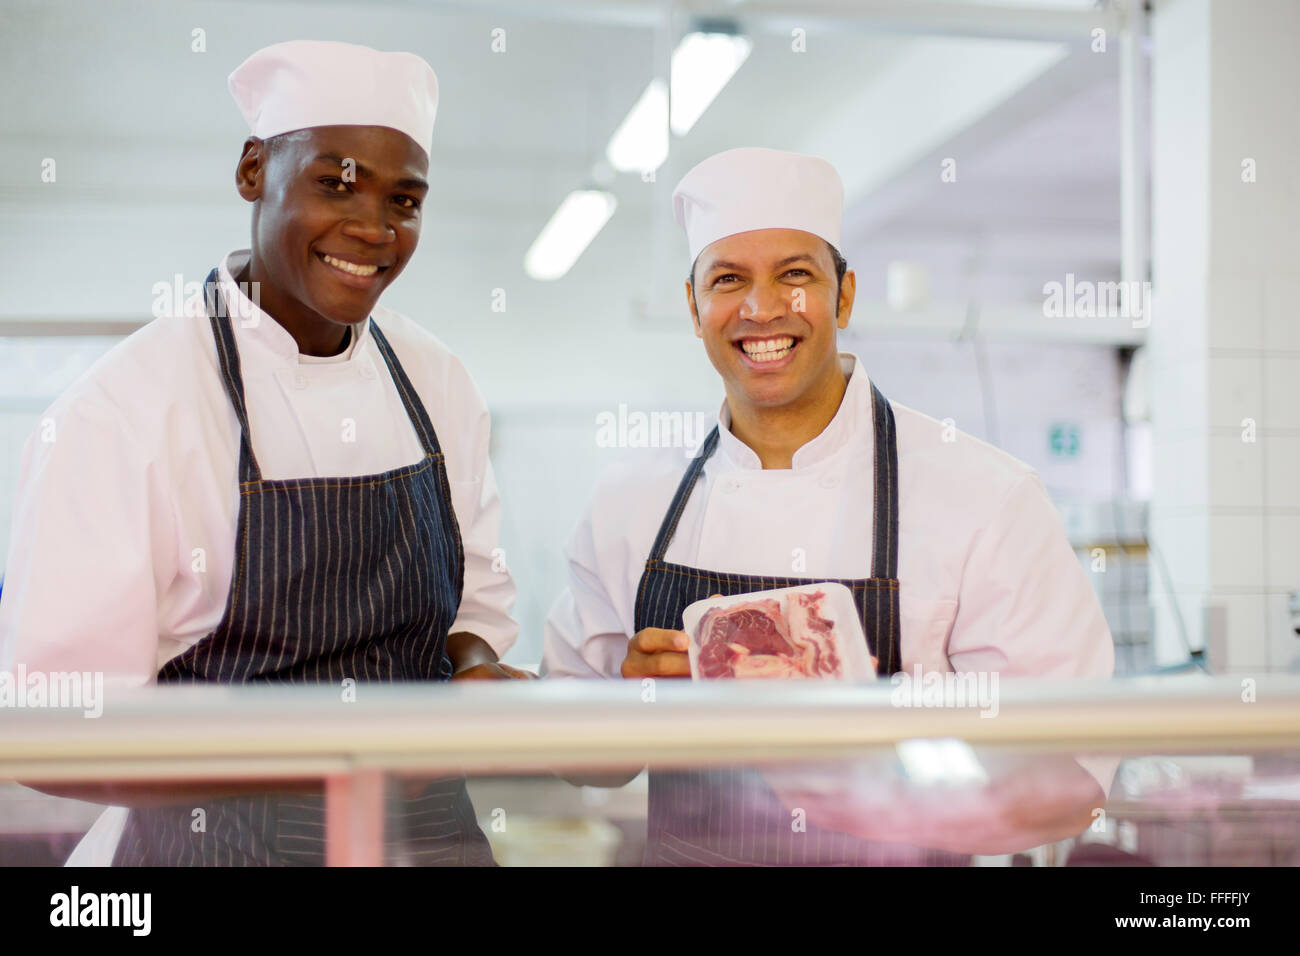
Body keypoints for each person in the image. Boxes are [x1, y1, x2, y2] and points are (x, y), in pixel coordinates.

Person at [0, 40, 528, 866]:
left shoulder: (436, 379)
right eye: (334, 184)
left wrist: (473, 672)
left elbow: (472, 610)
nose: (374, 228)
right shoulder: (126, 408)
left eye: (406, 200)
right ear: (253, 170)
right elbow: (55, 723)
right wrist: (304, 769)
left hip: (428, 842)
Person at [543, 146, 1118, 865]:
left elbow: (1071, 779)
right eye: (728, 280)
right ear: (694, 307)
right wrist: (633, 711)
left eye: (794, 275)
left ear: (843, 296)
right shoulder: (631, 501)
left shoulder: (983, 497)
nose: (760, 309)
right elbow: (572, 756)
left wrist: (888, 759)